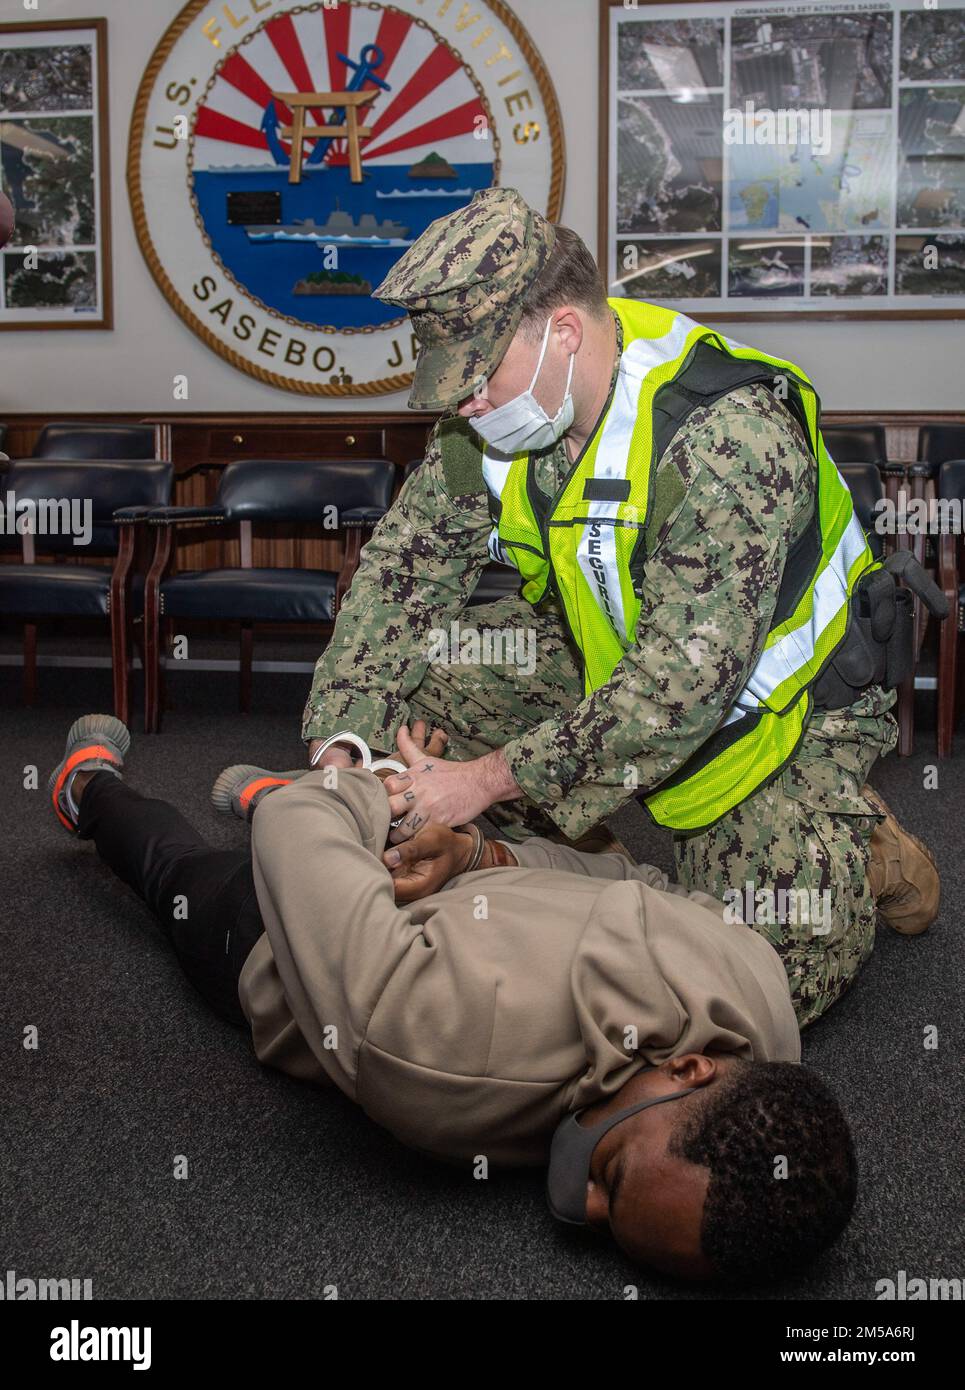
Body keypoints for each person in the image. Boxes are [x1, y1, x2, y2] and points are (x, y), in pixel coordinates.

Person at [302, 186, 940, 1031]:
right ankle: (541, 870)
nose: (464, 406)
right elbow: (400, 578)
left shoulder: (724, 435)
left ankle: (858, 846)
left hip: (776, 715)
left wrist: (480, 784)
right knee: (423, 681)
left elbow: (678, 692)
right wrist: (343, 741)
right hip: (608, 661)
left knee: (747, 990)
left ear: (562, 331)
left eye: (478, 379)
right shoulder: (493, 423)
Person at [49, 714, 859, 1284]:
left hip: (285, 949)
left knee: (176, 875)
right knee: (333, 817)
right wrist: (478, 851)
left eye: (606, 1224)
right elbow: (633, 880)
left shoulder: (439, 1059)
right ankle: (340, 805)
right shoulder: (756, 988)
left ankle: (90, 793)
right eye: (610, 1176)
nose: (580, 1204)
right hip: (452, 895)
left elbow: (298, 834)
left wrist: (367, 794)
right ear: (694, 1068)